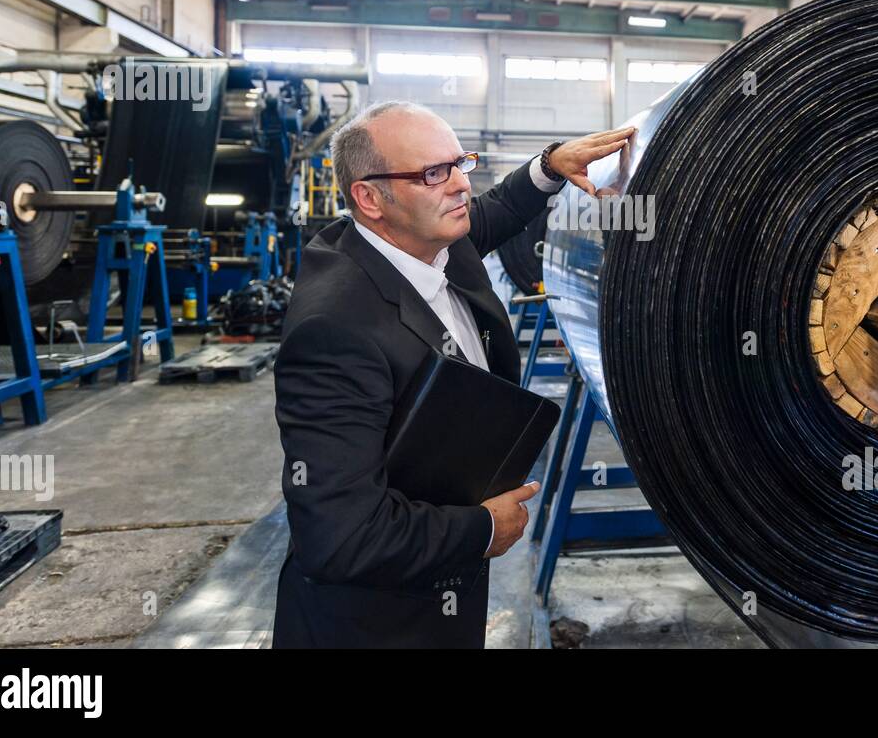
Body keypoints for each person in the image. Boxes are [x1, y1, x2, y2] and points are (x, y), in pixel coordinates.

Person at [272, 100, 634, 648]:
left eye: (460, 162)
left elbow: (492, 212)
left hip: (442, 599)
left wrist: (550, 164)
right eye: (432, 174)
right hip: (379, 624)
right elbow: (339, 538)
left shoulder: (424, 241)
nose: (461, 186)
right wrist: (483, 529)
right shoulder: (336, 331)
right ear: (369, 198)